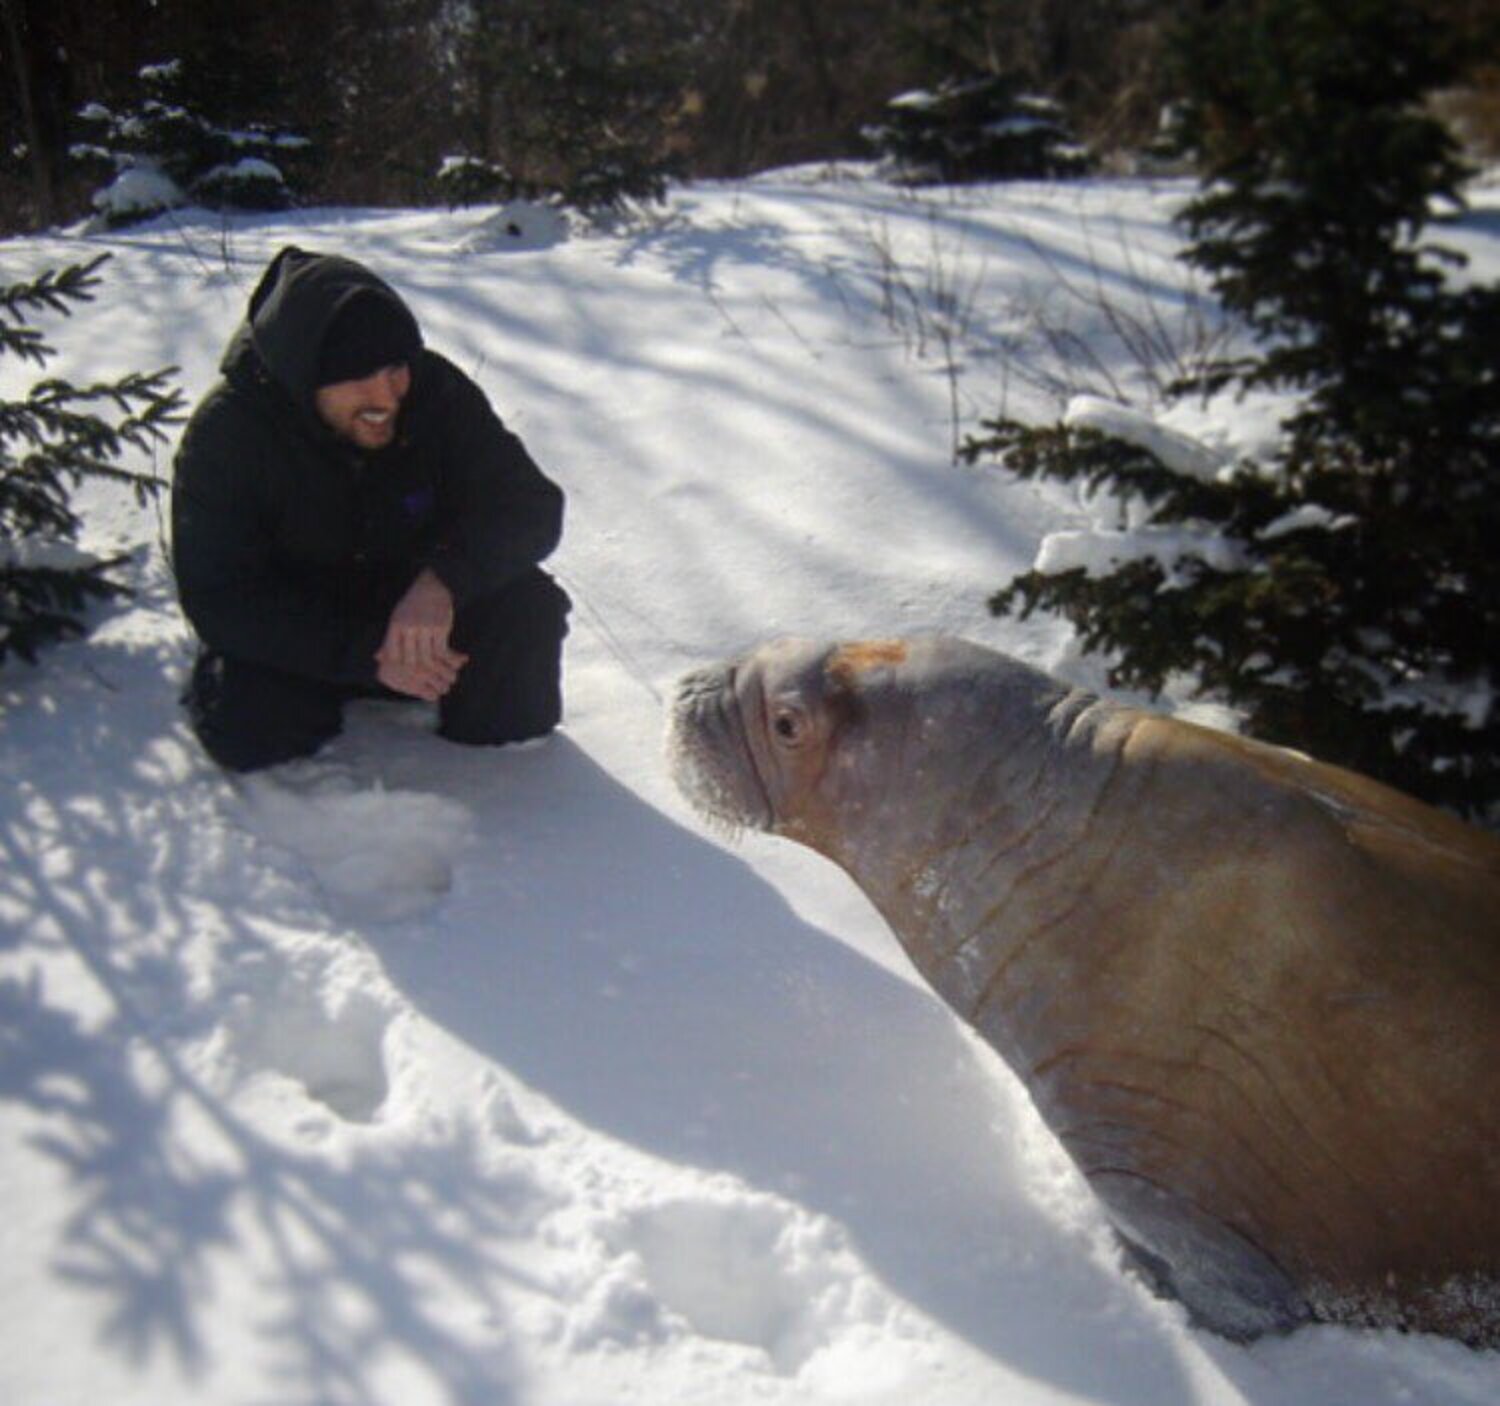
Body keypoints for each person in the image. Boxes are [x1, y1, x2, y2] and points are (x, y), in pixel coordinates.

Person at [171, 245, 569, 771]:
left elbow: (530, 506)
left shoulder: (435, 391)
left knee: (527, 614)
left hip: (419, 610)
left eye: (396, 368)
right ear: (306, 378)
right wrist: (366, 655)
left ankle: (515, 800)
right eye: (359, 377)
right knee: (246, 729)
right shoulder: (228, 434)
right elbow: (221, 598)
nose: (387, 395)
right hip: (307, 627)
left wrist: (442, 582)